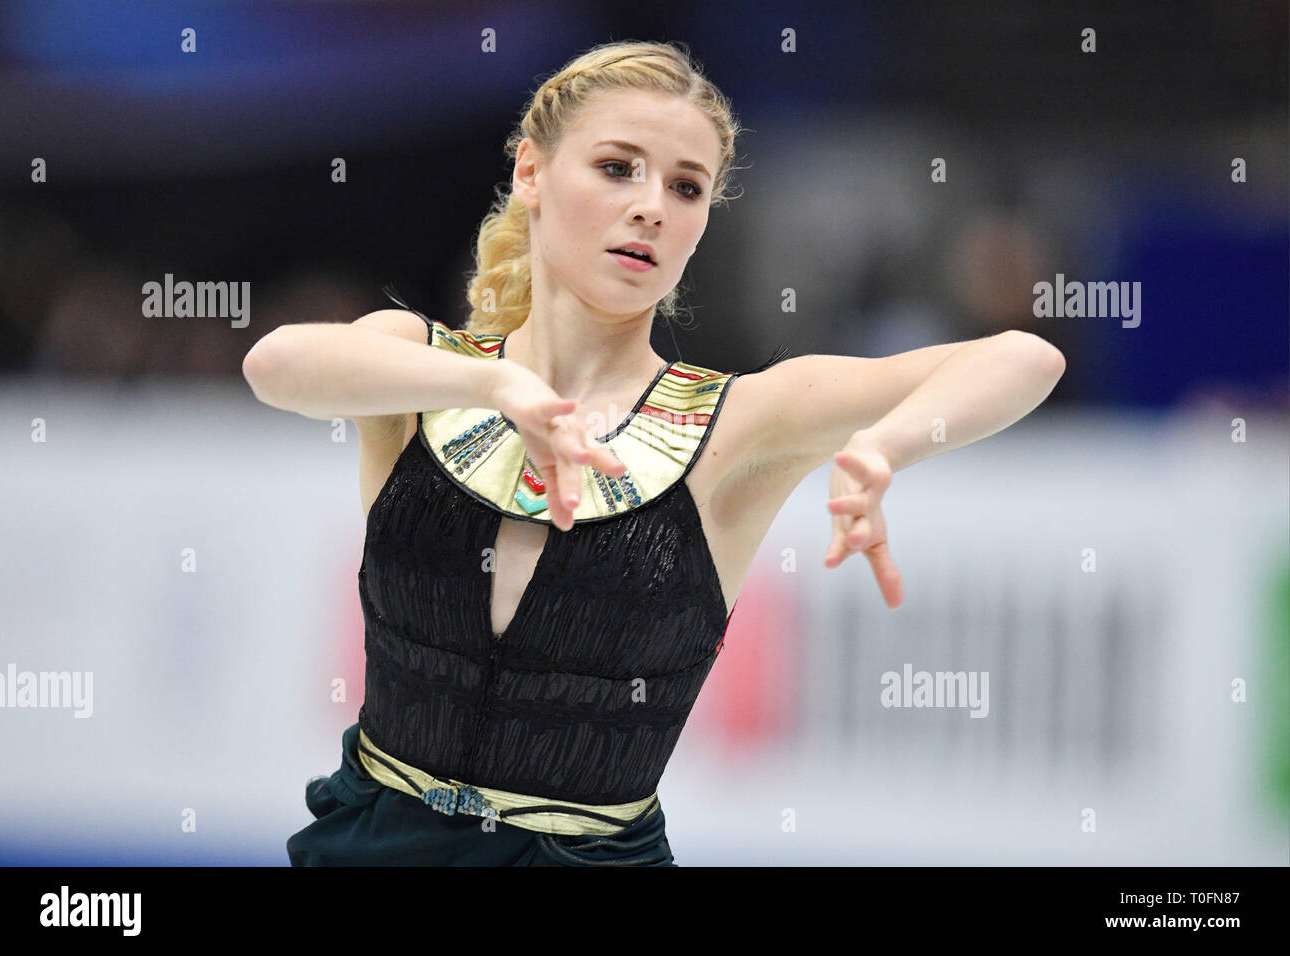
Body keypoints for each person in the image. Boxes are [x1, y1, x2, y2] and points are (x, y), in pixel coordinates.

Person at [242, 40, 1066, 866]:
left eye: (685, 187)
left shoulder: (739, 423)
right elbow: (276, 365)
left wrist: (886, 444)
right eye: (617, 168)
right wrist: (496, 387)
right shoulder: (419, 371)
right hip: (374, 843)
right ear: (531, 173)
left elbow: (1026, 361)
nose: (652, 209)